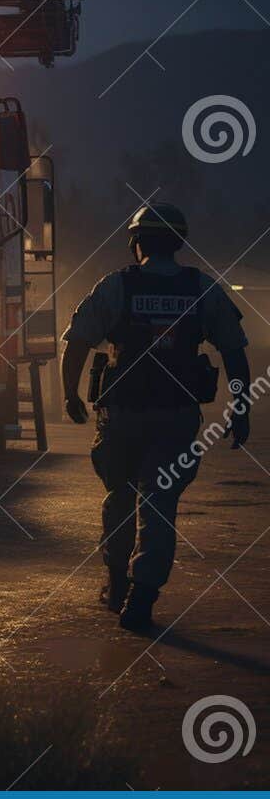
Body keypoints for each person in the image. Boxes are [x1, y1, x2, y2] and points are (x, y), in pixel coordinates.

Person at [61, 203, 251, 631]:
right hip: (176, 417)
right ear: (180, 243)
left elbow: (77, 344)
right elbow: (235, 353)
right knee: (160, 507)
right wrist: (241, 407)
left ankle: (116, 584)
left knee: (120, 499)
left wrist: (68, 395)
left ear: (136, 242)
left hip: (122, 416)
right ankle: (142, 600)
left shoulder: (115, 287)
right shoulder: (202, 288)